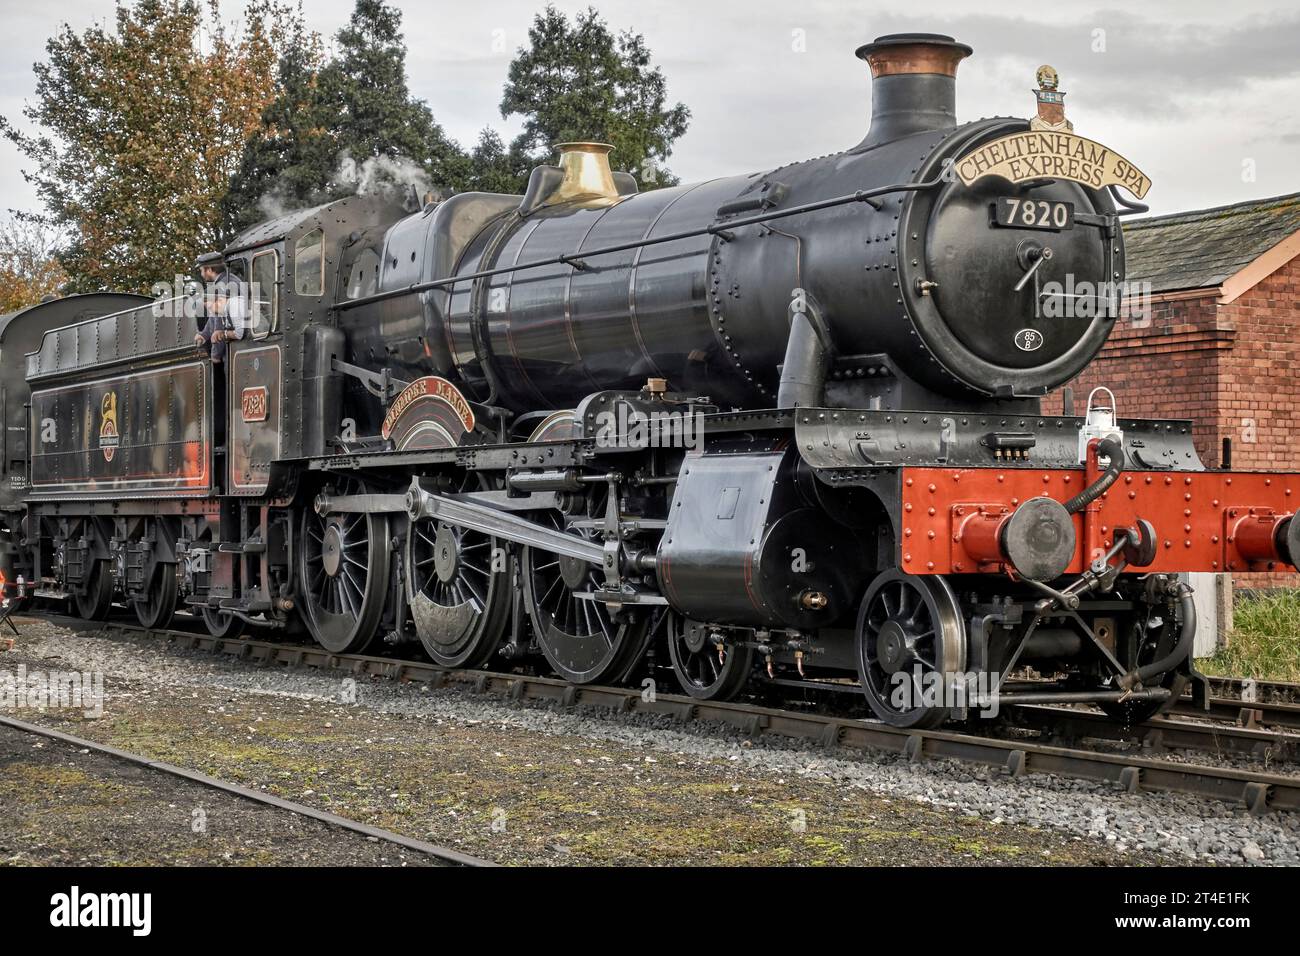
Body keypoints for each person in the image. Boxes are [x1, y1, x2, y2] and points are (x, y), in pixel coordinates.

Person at [193, 252, 248, 450]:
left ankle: (226, 439)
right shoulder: (230, 281)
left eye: (201, 269)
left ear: (209, 269)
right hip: (230, 345)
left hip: (230, 347)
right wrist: (204, 334)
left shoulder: (224, 285)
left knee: (226, 395)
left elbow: (220, 322)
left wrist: (215, 354)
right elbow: (215, 318)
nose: (201, 273)